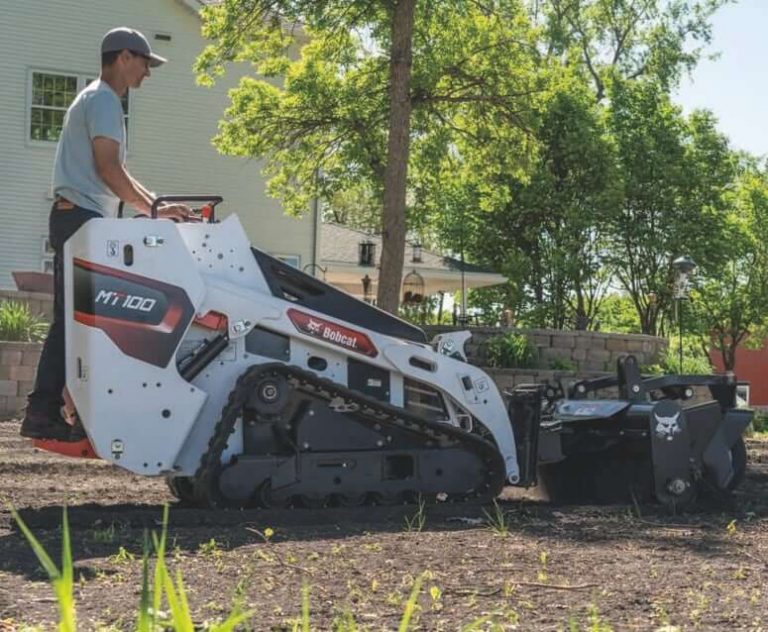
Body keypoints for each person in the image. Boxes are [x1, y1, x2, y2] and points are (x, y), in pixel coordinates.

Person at [20, 27, 196, 441]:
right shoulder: (103, 100)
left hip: (79, 217)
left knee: (83, 321)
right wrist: (153, 210)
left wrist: (155, 205)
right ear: (123, 57)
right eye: (145, 63)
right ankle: (42, 412)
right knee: (75, 321)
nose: (147, 74)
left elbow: (115, 172)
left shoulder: (97, 99)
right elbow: (109, 169)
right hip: (80, 218)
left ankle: (71, 408)